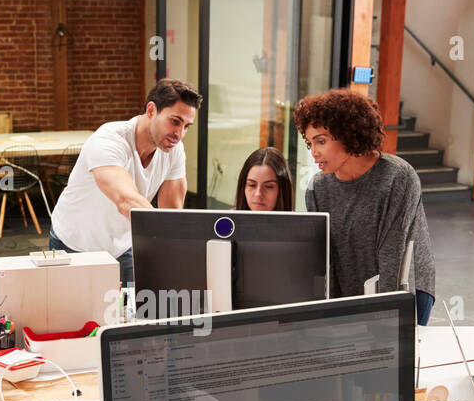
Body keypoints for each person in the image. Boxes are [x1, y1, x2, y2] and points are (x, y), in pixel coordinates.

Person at [295, 90, 435, 324]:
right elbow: (326, 259)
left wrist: (387, 319)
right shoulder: (318, 188)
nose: (313, 152)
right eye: (310, 143)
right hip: (352, 289)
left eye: (321, 141)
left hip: (406, 289)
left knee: (395, 358)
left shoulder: (397, 177)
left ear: (348, 134)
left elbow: (393, 255)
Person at [48, 78, 201, 286]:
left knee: (128, 314)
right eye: (175, 121)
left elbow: (171, 211)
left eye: (186, 126)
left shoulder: (173, 150)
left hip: (121, 246)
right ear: (151, 110)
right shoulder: (109, 140)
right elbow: (125, 200)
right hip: (74, 243)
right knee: (75, 316)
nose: (179, 134)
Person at [234, 147, 294, 212]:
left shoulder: (298, 222)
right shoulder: (226, 220)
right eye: (252, 185)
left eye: (268, 186)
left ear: (283, 190)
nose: (258, 194)